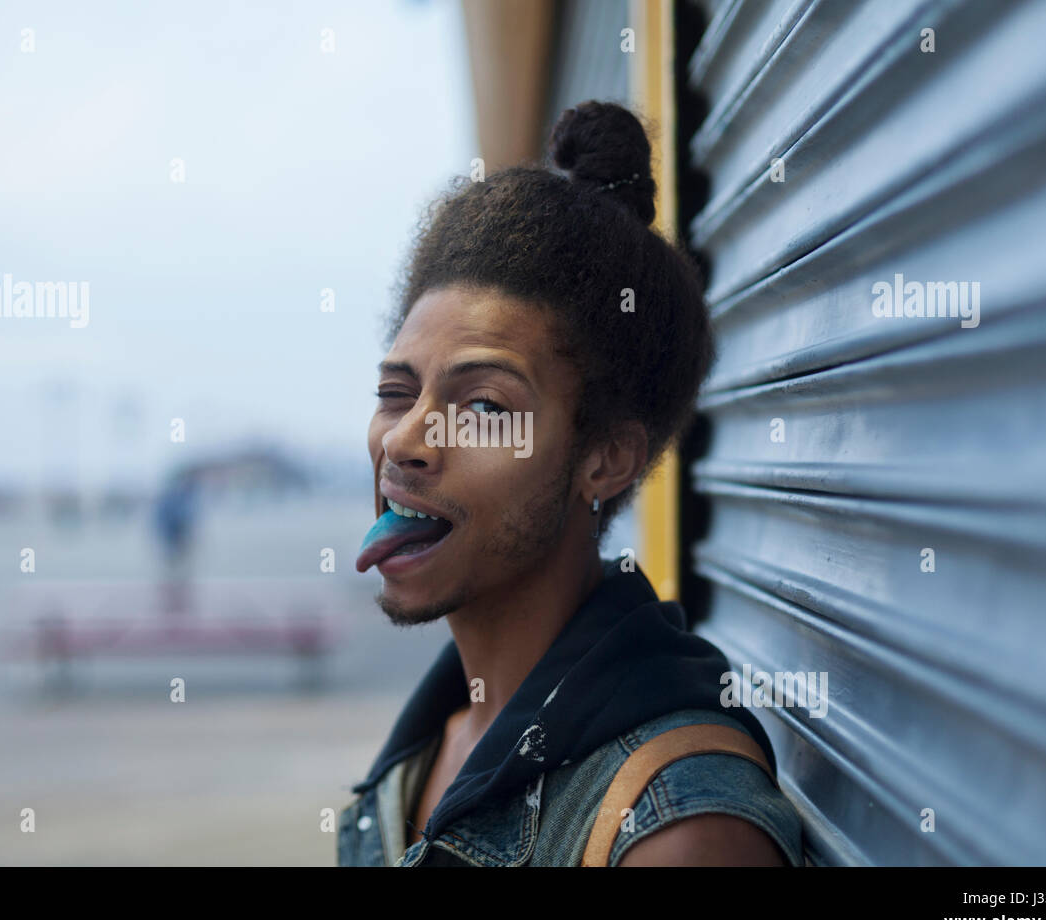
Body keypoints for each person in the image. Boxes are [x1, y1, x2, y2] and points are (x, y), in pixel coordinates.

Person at [338, 101, 804, 866]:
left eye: (484, 406)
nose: (405, 441)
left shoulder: (676, 835)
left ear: (606, 459)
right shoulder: (431, 745)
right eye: (397, 394)